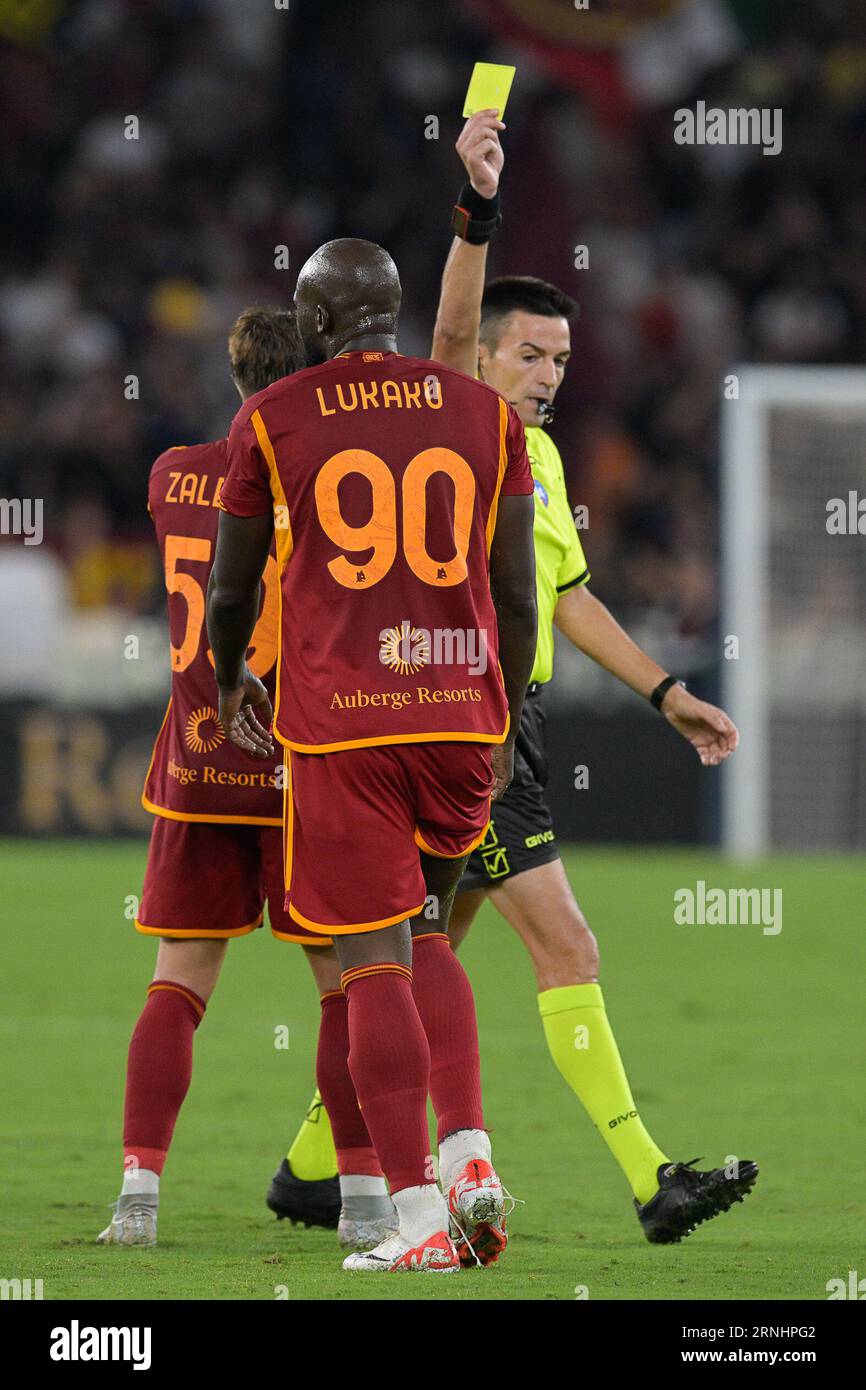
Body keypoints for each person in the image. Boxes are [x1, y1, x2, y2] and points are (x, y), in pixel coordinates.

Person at [277, 108, 759, 1246]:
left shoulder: (533, 458)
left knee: (400, 961)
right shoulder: (445, 412)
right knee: (560, 946)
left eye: (559, 361)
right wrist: (478, 204)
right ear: (483, 354)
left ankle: (311, 1164)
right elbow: (445, 323)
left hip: (505, 721)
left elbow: (569, 597)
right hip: (460, 720)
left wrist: (660, 691)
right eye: (529, 355)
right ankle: (649, 1181)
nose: (546, 377)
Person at [208, 236, 537, 1272]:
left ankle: (414, 1220)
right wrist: (503, 715)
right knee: (430, 925)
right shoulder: (482, 412)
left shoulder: (270, 418)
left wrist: (227, 677)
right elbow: (517, 589)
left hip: (344, 727)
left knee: (369, 962)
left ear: (312, 323)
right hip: (459, 720)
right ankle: (471, 1156)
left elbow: (230, 590)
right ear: (390, 315)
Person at [97, 308, 349, 1247]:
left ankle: (137, 1196)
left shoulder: (170, 474)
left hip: (199, 763)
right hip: (303, 766)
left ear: (233, 374)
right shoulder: (325, 484)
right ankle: (365, 1198)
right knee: (349, 986)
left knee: (176, 988)